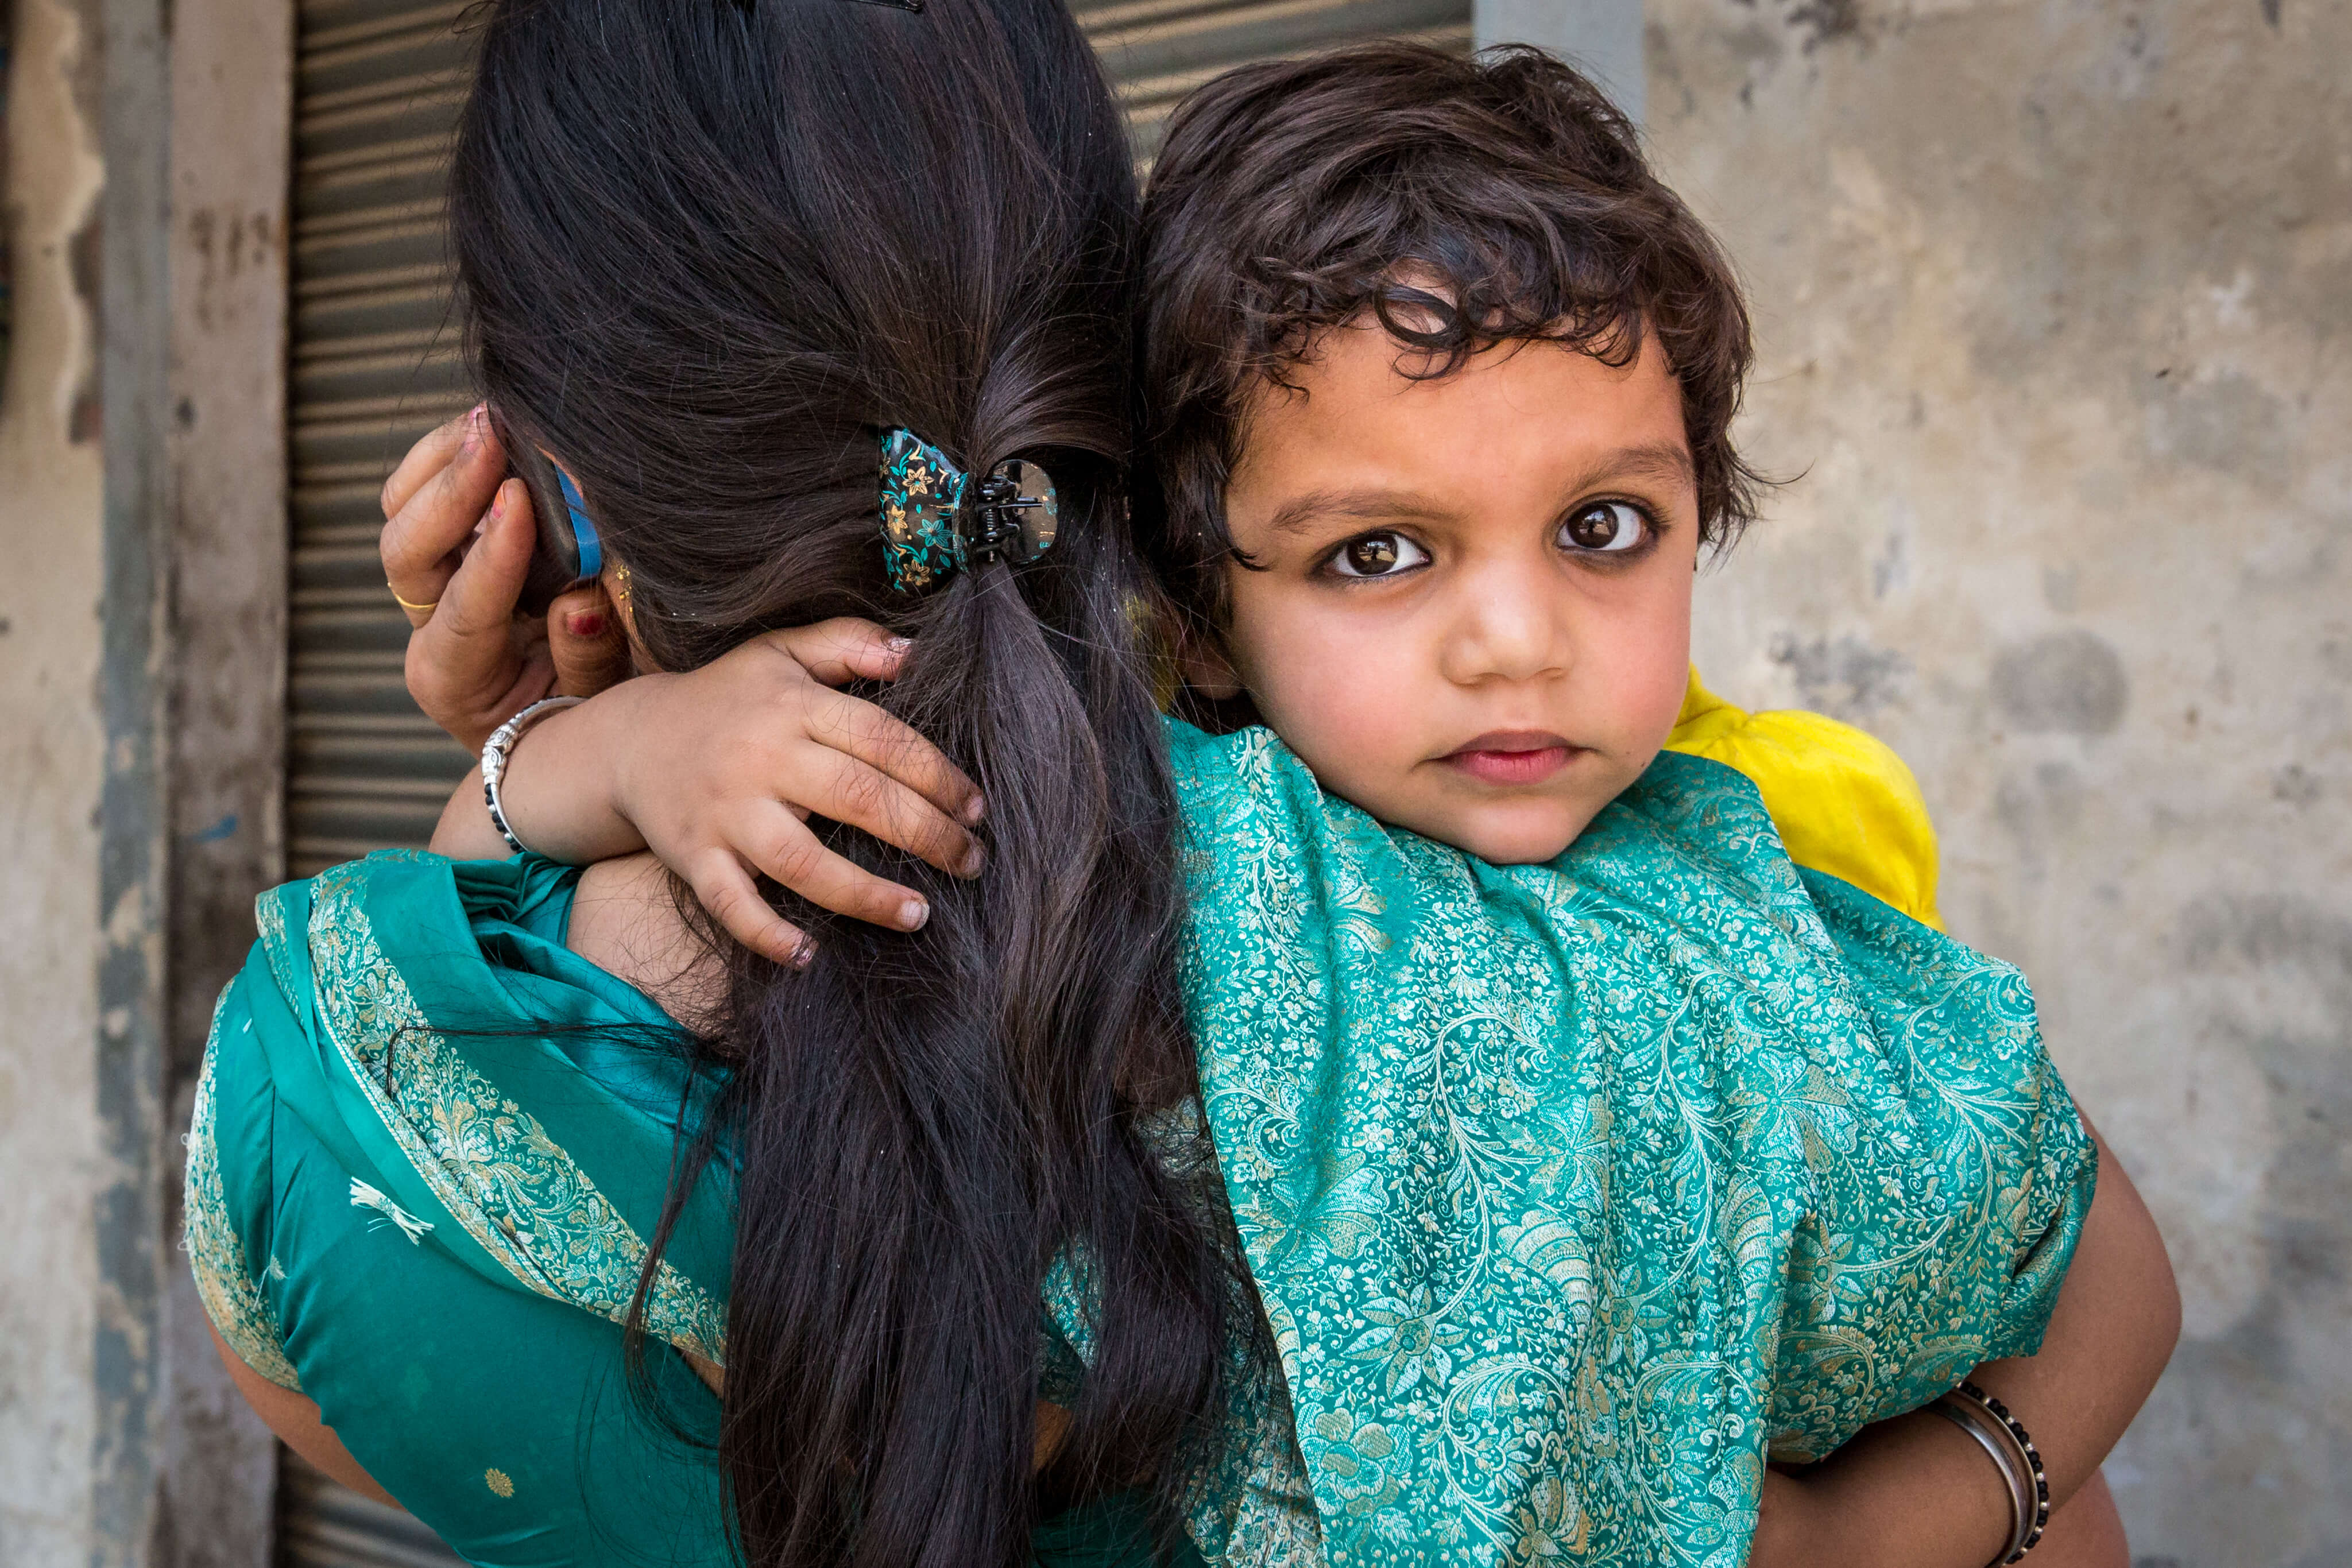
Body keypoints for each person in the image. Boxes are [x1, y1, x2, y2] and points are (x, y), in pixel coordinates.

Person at [195, 18, 2178, 1568]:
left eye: (1603, 527)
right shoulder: (1534, 965)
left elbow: (306, 1379)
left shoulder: (340, 1094)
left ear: (545, 476)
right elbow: (2082, 1282)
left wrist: (567, 743)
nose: (1516, 645)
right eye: (1380, 553)